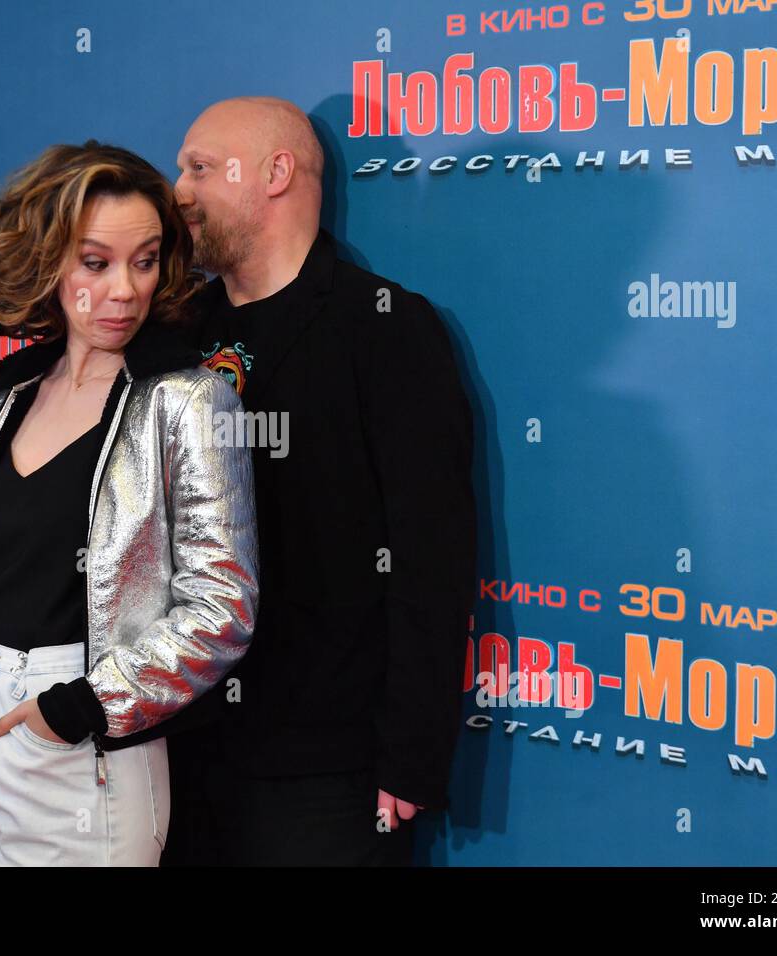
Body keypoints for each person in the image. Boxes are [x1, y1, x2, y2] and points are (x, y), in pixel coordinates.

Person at [0, 141, 259, 866]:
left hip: (80, 734)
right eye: (95, 262)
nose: (124, 289)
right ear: (47, 262)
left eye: (146, 260)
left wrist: (79, 708)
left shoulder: (187, 399)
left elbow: (223, 607)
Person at [164, 97, 477, 866]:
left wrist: (410, 757)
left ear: (276, 173)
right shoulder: (173, 331)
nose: (178, 190)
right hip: (178, 748)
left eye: (199, 168)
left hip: (325, 774)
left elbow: (432, 558)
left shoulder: (384, 328)